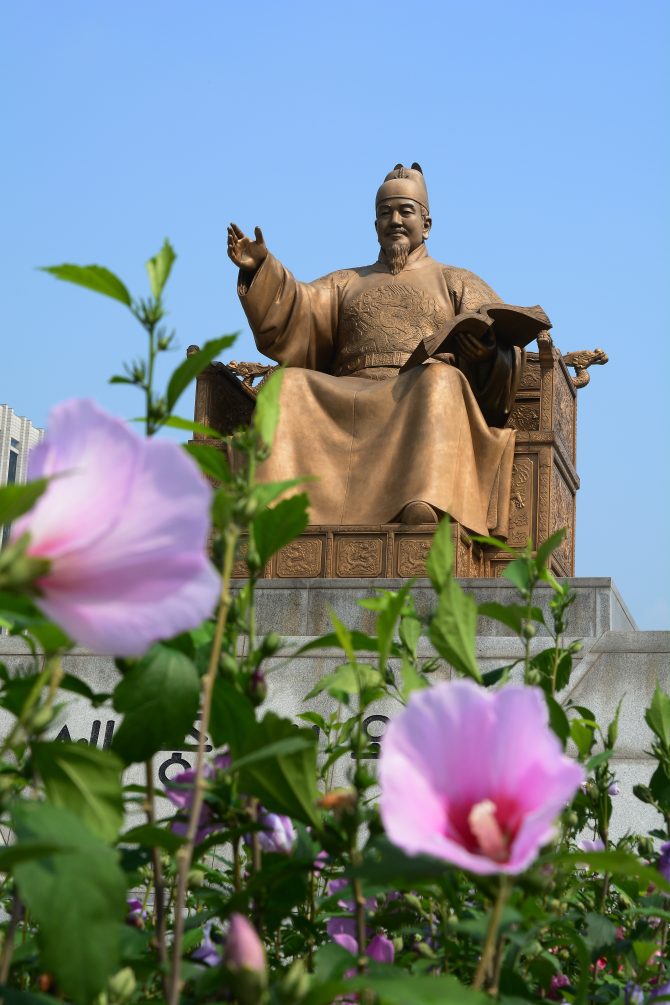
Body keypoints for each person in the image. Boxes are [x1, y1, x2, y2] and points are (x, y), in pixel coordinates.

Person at [226, 164, 525, 535]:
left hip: (416, 388)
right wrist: (262, 269)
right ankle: (272, 502)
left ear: (426, 224)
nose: (395, 220)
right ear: (375, 226)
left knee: (440, 380)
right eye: (385, 213)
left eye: (405, 211)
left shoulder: (456, 280)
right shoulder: (347, 281)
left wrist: (487, 354)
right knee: (287, 385)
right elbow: (299, 306)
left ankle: (424, 499)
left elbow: (501, 336)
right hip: (347, 386)